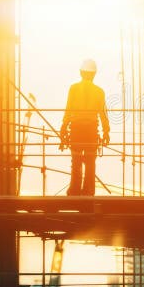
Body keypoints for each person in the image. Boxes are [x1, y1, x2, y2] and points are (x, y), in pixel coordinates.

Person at [60, 59, 110, 196]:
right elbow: (103, 114)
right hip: (91, 131)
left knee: (76, 161)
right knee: (90, 162)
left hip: (76, 130)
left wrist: (63, 128)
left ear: (81, 72)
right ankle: (88, 191)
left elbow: (68, 109)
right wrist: (106, 132)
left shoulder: (74, 89)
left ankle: (74, 191)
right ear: (94, 74)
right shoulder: (99, 92)